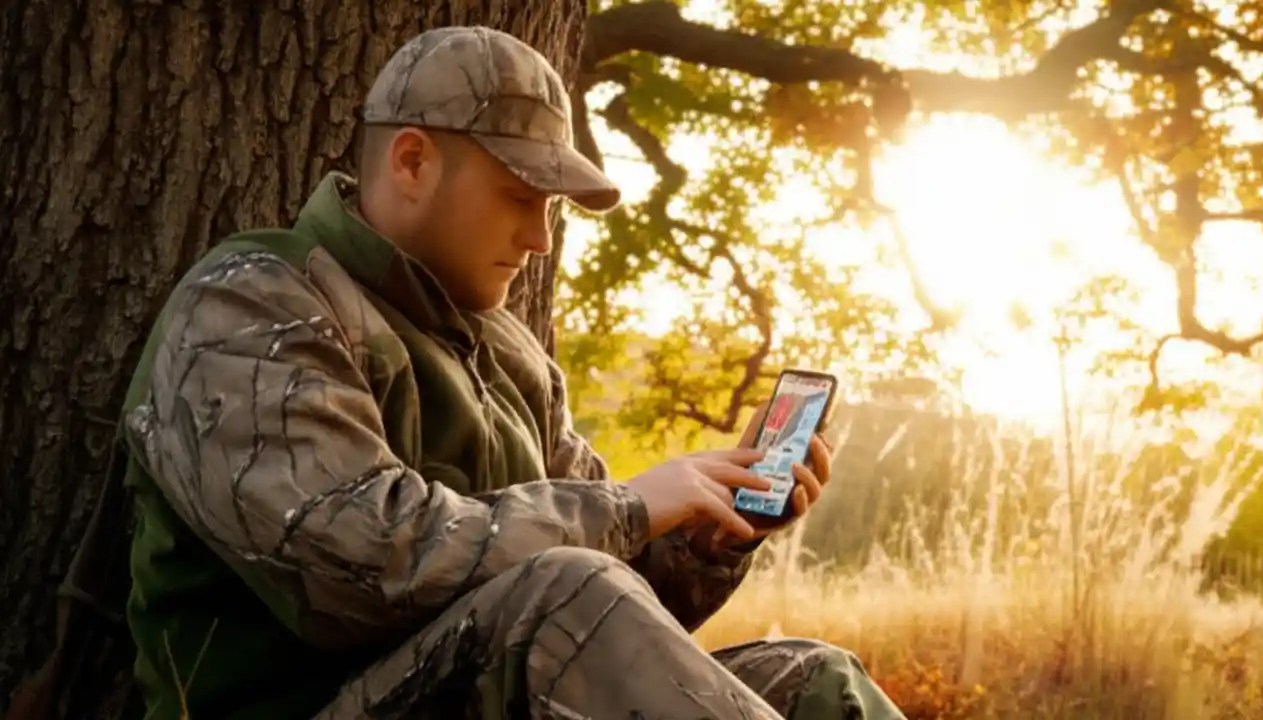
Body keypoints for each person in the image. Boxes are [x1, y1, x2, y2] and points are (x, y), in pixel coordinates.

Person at [118, 25, 906, 720]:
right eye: (519, 197)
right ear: (413, 161)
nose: (538, 237)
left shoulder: (508, 352)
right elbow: (358, 569)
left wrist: (708, 535)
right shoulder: (253, 301)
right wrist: (629, 506)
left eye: (552, 208)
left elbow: (620, 621)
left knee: (814, 680)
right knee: (563, 589)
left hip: (471, 690)